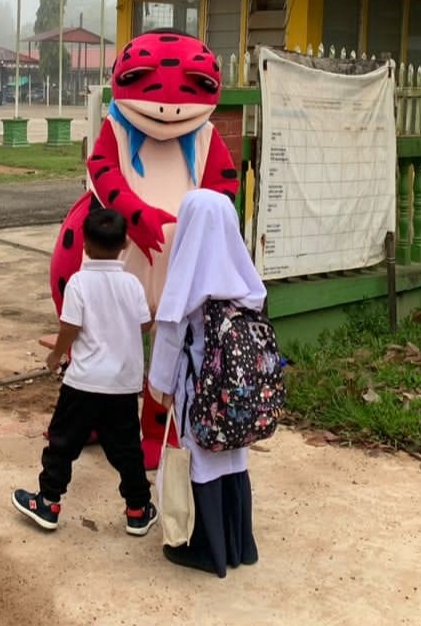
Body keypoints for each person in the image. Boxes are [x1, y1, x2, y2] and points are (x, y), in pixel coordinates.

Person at [13, 209, 159, 536]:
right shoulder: (132, 284)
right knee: (127, 450)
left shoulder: (79, 283)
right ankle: (138, 510)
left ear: (87, 247)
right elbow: (144, 325)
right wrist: (151, 312)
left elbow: (70, 327)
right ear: (124, 244)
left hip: (82, 383)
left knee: (62, 444)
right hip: (121, 385)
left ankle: (48, 503)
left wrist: (55, 354)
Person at [148, 189, 265, 578]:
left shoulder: (189, 281)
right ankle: (239, 546)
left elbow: (168, 333)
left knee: (200, 461)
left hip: (200, 395)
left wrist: (159, 387)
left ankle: (206, 550)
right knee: (234, 459)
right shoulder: (246, 284)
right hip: (239, 398)